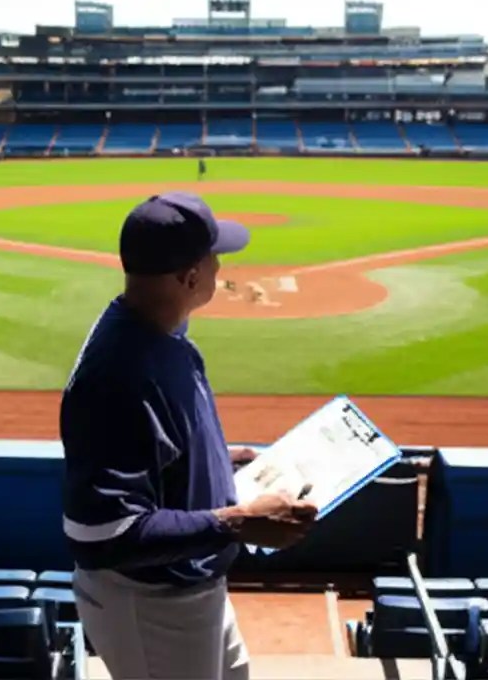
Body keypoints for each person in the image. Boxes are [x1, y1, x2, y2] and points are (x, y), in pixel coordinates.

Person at [60, 191, 318, 680]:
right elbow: (97, 533)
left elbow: (162, 442)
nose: (221, 268)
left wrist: (224, 459)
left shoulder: (159, 334)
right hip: (151, 604)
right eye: (214, 258)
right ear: (190, 276)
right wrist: (237, 523)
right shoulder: (121, 373)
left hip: (190, 580)